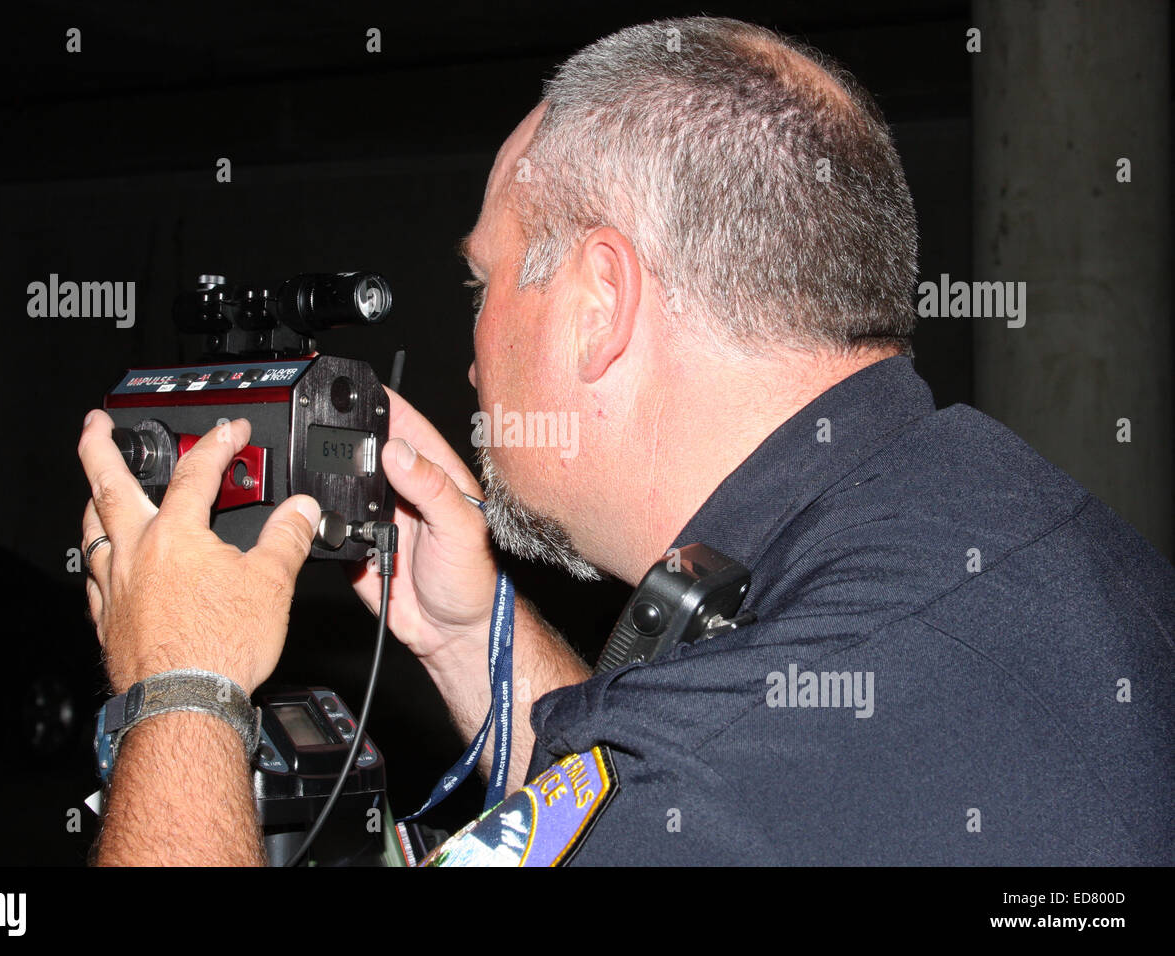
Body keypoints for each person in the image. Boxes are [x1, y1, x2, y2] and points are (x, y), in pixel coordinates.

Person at [78, 17, 1175, 866]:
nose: (469, 348)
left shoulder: (728, 768)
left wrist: (178, 685)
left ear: (600, 301)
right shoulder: (1002, 514)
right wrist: (471, 636)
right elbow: (600, 797)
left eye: (482, 279)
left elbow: (685, 783)